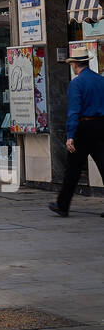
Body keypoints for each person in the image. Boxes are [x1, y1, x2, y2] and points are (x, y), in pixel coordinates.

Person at [50, 51, 104, 218]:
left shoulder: (77, 83)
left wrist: (70, 135)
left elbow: (74, 111)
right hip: (101, 126)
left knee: (72, 169)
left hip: (83, 128)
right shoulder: (101, 80)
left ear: (74, 65)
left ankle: (62, 205)